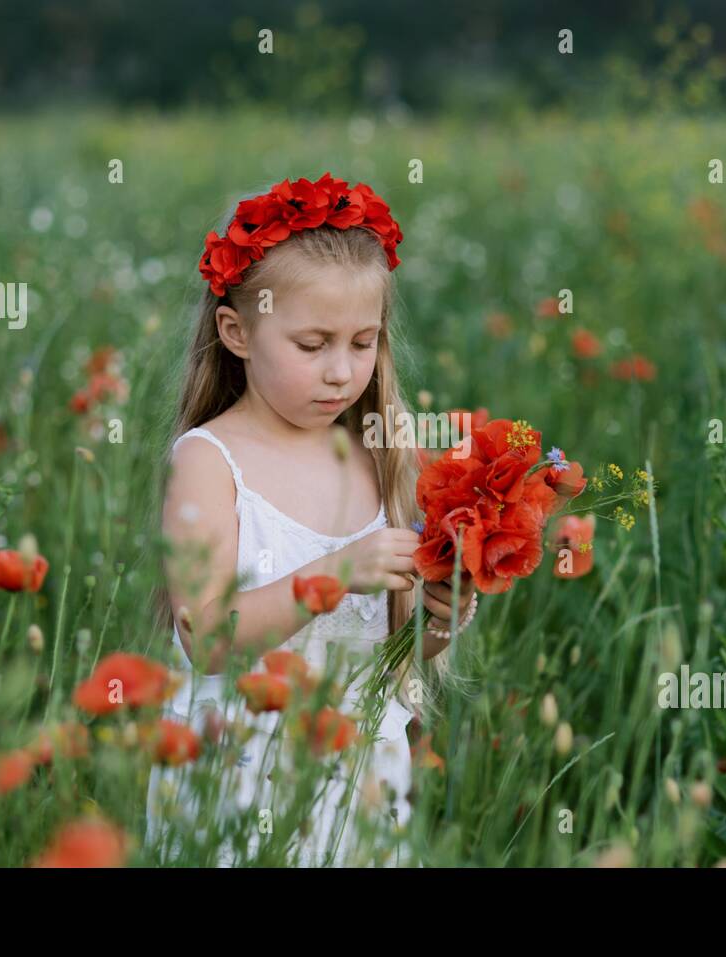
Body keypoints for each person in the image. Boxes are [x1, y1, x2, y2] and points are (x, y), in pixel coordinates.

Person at [147, 173, 478, 866]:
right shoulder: (211, 460)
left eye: (363, 343)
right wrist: (333, 573)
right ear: (237, 331)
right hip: (238, 773)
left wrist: (442, 610)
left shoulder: (380, 458)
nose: (341, 371)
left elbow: (404, 651)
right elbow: (206, 634)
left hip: (358, 777)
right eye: (312, 344)